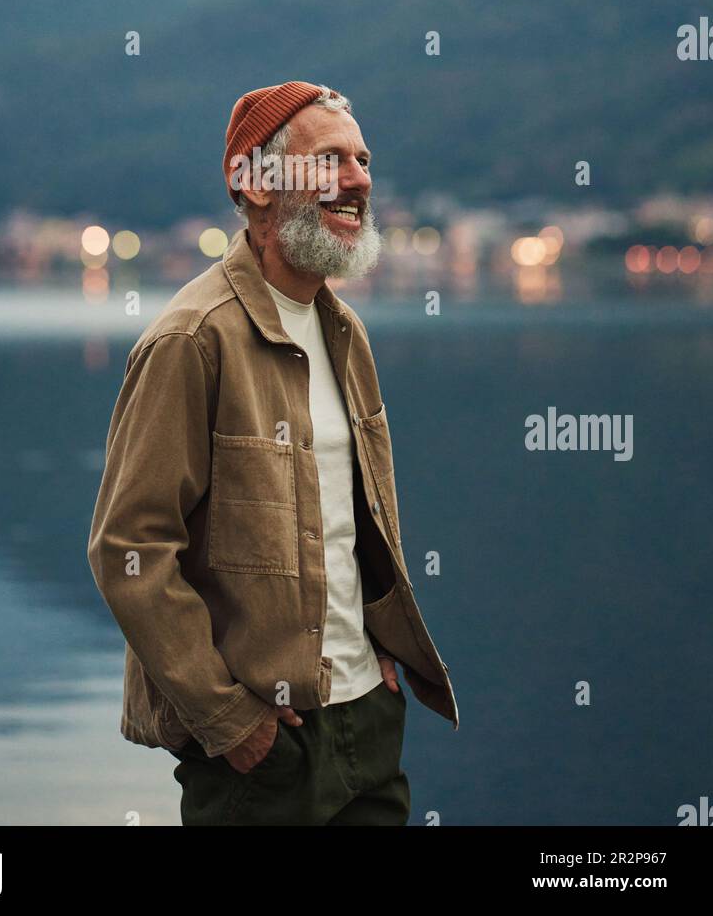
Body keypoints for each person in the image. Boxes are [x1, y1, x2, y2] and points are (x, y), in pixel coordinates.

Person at [87, 80, 458, 826]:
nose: (359, 180)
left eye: (362, 160)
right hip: (262, 751)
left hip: (370, 723)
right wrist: (229, 722)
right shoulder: (192, 340)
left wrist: (379, 646)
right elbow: (129, 548)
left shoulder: (345, 332)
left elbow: (354, 519)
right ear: (255, 188)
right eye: (330, 161)